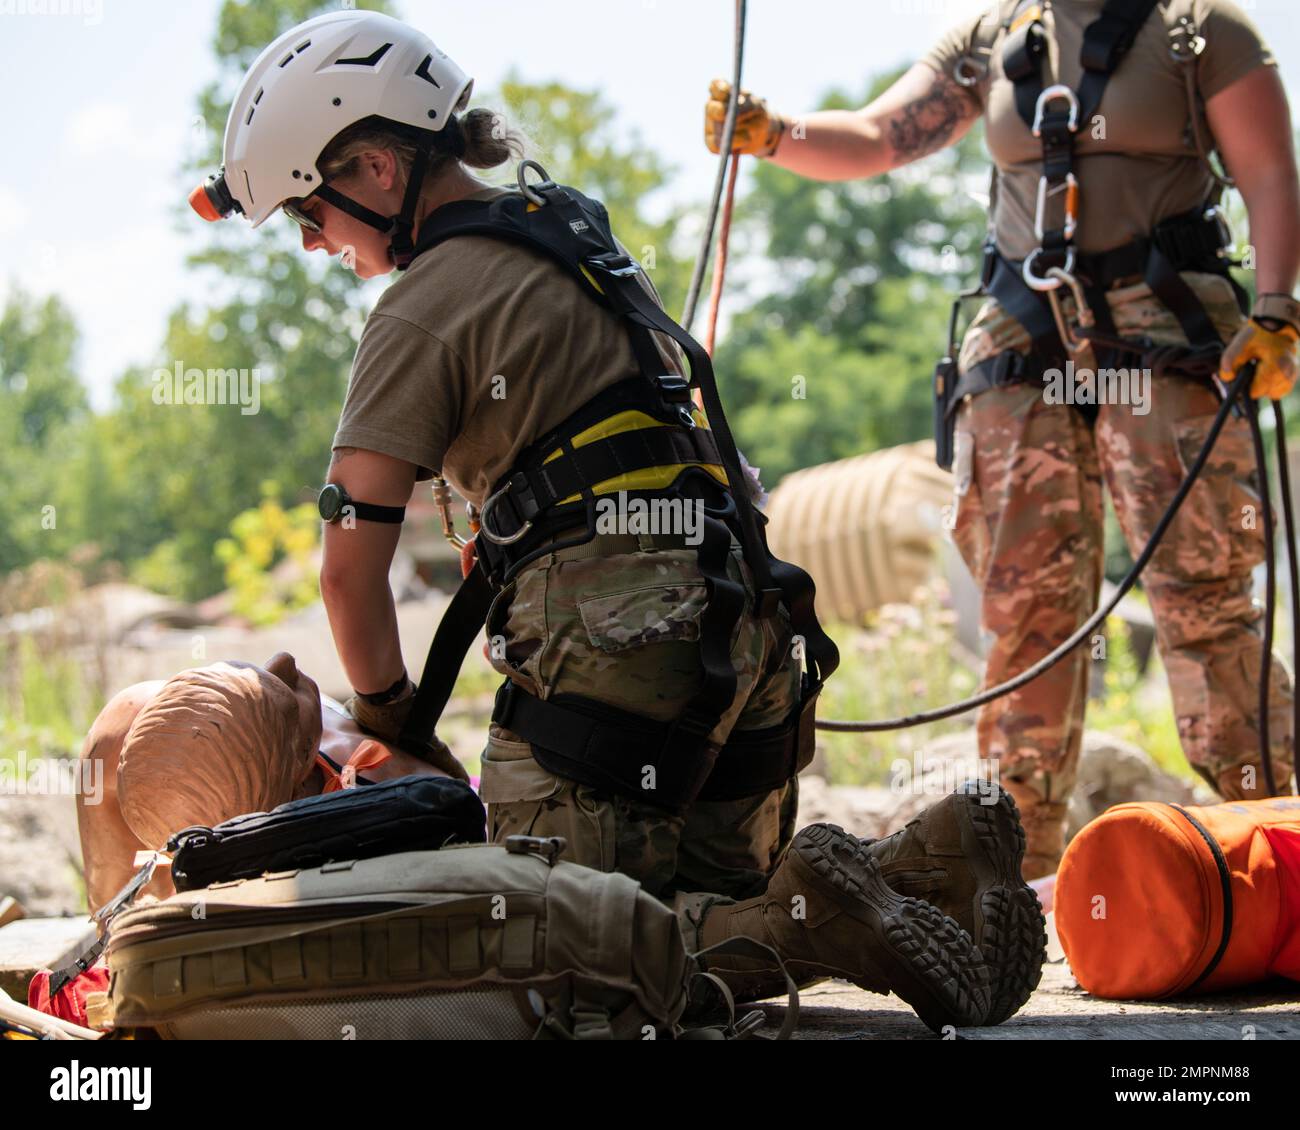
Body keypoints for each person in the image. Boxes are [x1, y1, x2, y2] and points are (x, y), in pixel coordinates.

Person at [191, 9, 1043, 1028]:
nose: (312, 240)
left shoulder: (422, 303)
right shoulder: (571, 231)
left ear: (377, 169)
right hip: (755, 630)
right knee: (684, 928)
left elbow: (347, 571)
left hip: (621, 646)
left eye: (309, 210)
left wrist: (392, 730)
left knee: (538, 953)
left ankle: (829, 927)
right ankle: (925, 858)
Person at [706, 0, 1300, 878]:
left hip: (1167, 330)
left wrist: (1279, 311)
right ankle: (1017, 874)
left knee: (1200, 597)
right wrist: (773, 132)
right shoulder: (993, 39)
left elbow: (1271, 175)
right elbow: (878, 136)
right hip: (1025, 339)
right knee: (1026, 611)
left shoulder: (1198, 30)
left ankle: (1272, 846)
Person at [75, 652, 460, 914]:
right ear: (299, 765)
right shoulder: (409, 792)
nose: (286, 662)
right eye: (290, 706)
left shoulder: (129, 723)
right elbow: (110, 911)